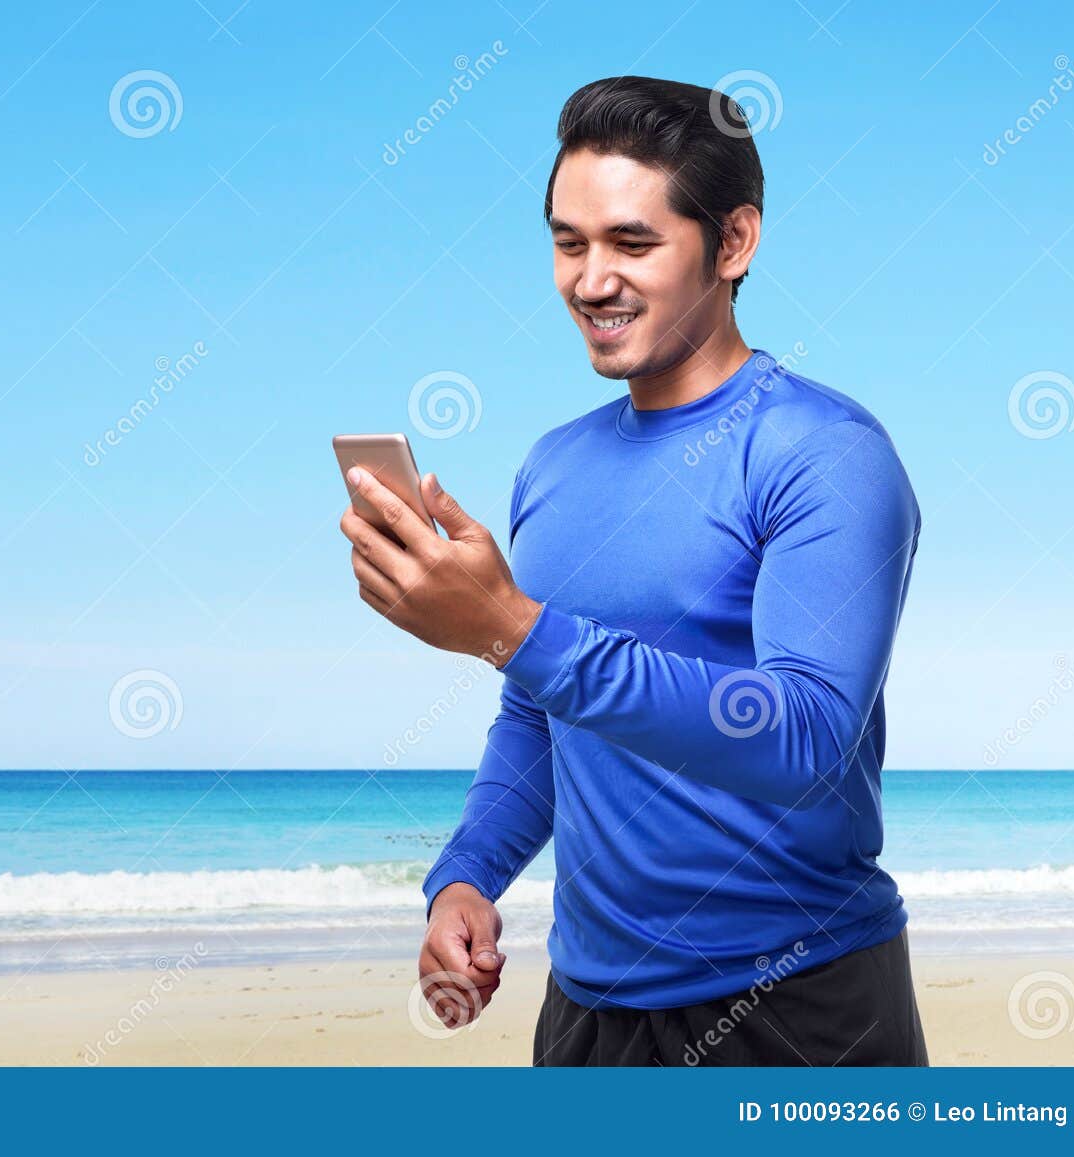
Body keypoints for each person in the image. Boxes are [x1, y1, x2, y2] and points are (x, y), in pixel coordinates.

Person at [338, 75, 928, 1066]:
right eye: (568, 243)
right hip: (585, 1011)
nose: (589, 279)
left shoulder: (823, 453)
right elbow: (541, 713)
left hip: (798, 1004)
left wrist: (512, 626)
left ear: (733, 242)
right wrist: (467, 876)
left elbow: (804, 739)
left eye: (631, 242)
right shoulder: (554, 465)